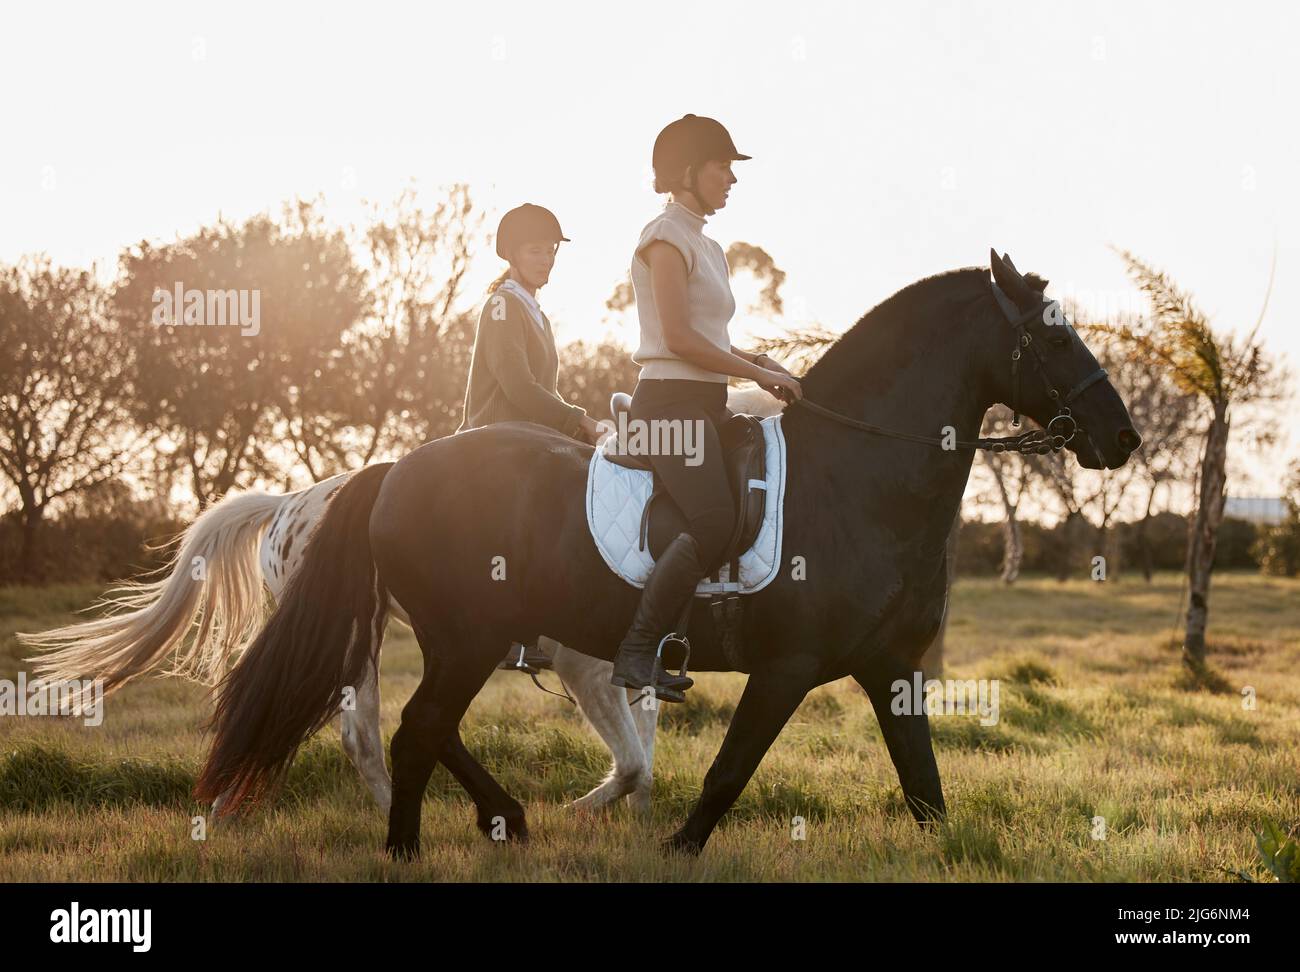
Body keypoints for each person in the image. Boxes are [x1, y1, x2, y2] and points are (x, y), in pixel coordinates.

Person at [610, 114, 802, 703]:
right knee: (715, 521)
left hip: (706, 403)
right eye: (723, 167)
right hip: (666, 409)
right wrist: (753, 373)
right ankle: (638, 651)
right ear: (690, 170)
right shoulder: (664, 237)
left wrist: (766, 366)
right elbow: (679, 340)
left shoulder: (709, 245)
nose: (731, 179)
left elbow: (713, 339)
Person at [459, 203, 606, 673]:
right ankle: (509, 630)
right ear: (512, 253)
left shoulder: (532, 309)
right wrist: (581, 421)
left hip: (529, 434)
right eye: (535, 250)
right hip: (497, 434)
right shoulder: (503, 304)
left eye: (551, 251)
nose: (546, 259)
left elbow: (544, 391)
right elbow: (517, 386)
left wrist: (578, 428)